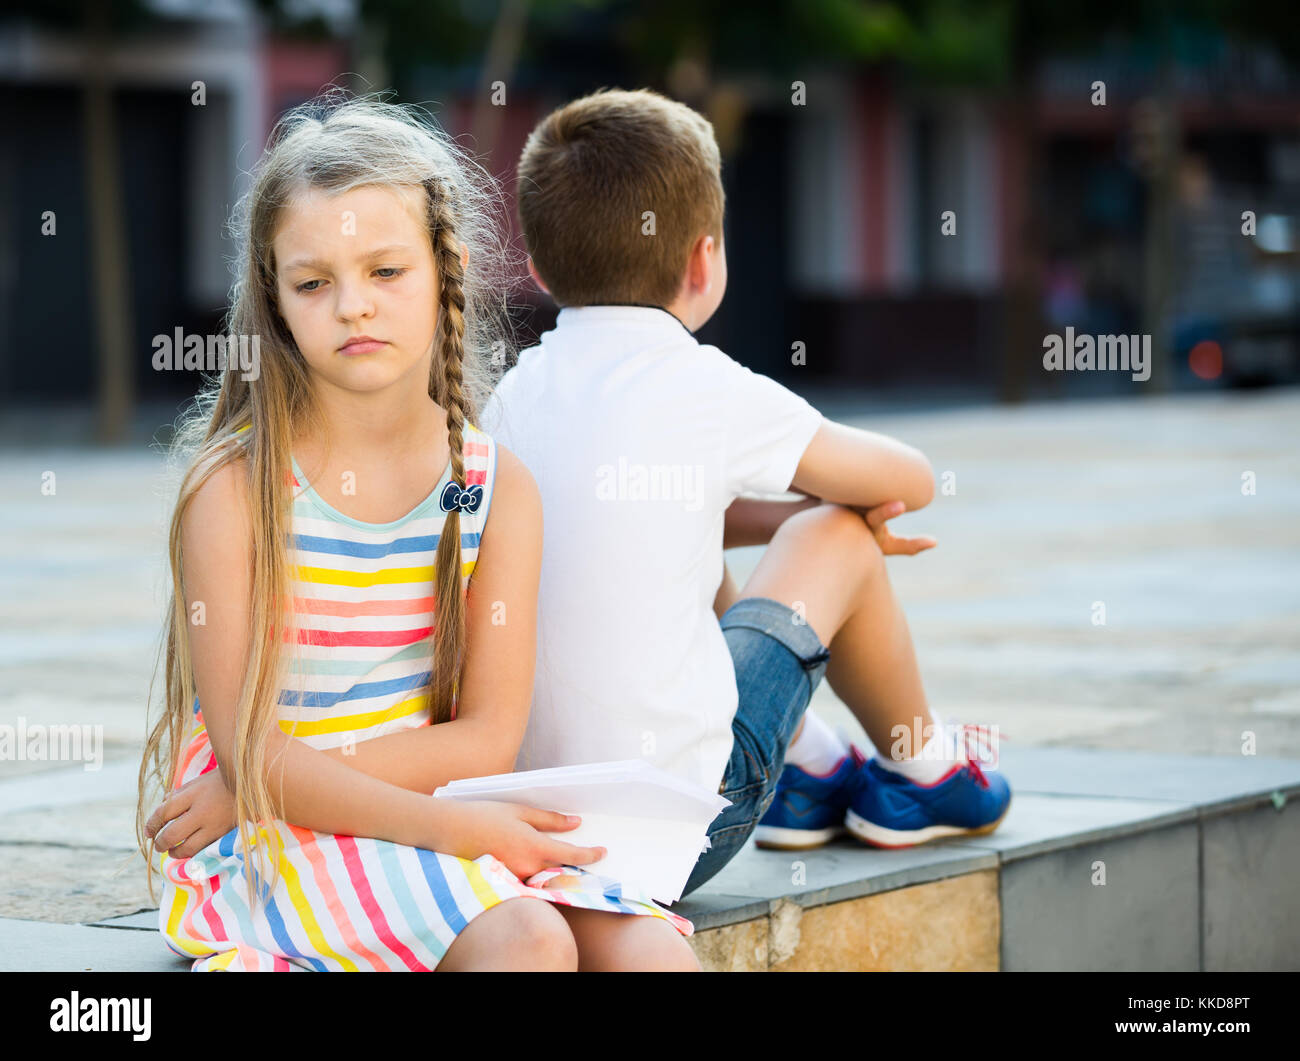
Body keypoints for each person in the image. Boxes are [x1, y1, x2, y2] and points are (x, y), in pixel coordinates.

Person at [134, 92, 700, 971]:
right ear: (276, 301)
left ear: (448, 271)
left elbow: (484, 738)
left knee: (651, 954)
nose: (352, 305)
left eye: (385, 271)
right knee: (529, 937)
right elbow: (253, 751)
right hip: (271, 837)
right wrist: (437, 821)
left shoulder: (495, 488)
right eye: (314, 281)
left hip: (386, 803)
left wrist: (279, 778)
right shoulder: (233, 490)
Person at [480, 88, 1011, 898]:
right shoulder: (702, 384)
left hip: (528, 824)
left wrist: (776, 506)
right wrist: (846, 514)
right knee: (834, 533)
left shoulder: (513, 395)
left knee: (700, 545)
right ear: (704, 258)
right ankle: (924, 770)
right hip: (685, 829)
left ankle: (813, 768)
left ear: (541, 269)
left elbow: (647, 509)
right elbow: (911, 477)